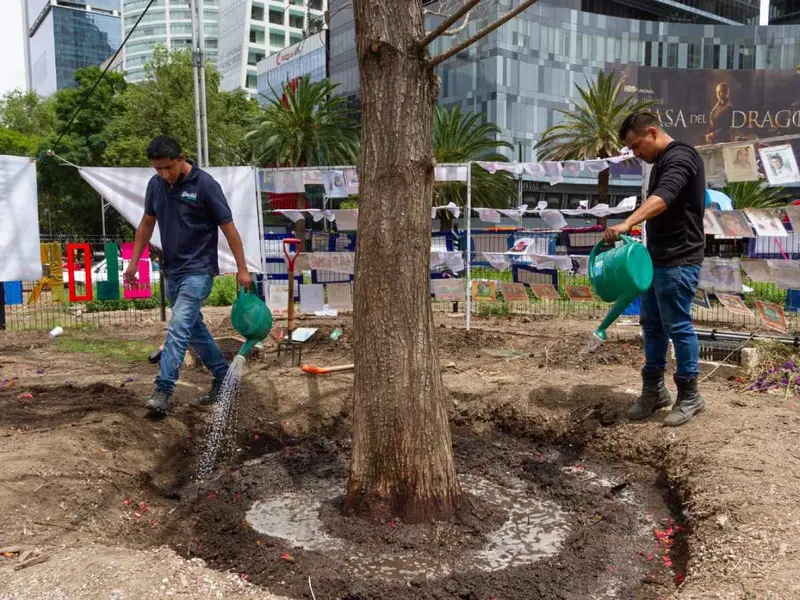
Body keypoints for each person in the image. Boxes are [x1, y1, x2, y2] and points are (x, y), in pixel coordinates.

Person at [124, 135, 253, 416]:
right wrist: (133, 263)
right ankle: (223, 375)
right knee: (194, 330)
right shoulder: (155, 185)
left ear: (181, 158)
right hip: (171, 271)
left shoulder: (205, 185)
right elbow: (146, 224)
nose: (164, 174)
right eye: (158, 169)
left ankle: (164, 389)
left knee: (178, 327)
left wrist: (242, 269)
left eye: (168, 167)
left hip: (199, 271)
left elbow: (229, 229)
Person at [605, 112, 706, 427]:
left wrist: (628, 222)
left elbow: (665, 197)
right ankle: (655, 391)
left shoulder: (681, 156)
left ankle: (690, 395)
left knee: (678, 325)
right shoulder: (661, 162)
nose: (636, 153)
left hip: (680, 258)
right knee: (651, 325)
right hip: (656, 258)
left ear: (652, 132)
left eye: (637, 146)